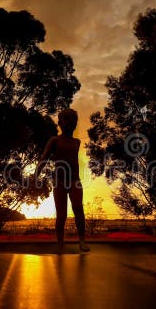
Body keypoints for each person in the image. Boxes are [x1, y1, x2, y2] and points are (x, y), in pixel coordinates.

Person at [34, 108, 89, 253]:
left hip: (75, 181)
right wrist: (36, 175)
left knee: (78, 208)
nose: (70, 121)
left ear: (76, 123)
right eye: (67, 118)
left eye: (73, 119)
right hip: (59, 182)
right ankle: (60, 242)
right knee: (62, 214)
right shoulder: (55, 140)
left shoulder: (77, 142)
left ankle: (82, 240)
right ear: (60, 123)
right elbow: (44, 158)